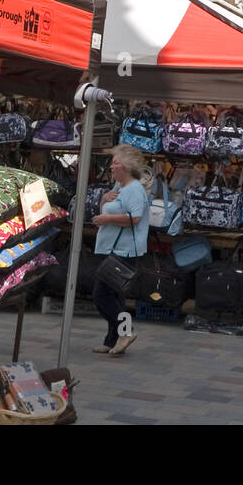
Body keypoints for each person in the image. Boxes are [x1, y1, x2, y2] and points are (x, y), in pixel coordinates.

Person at [90, 144, 150, 356]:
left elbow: (135, 218)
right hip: (112, 249)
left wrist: (107, 217)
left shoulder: (134, 189)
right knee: (115, 296)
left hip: (123, 251)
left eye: (115, 163)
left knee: (101, 295)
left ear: (126, 166)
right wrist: (104, 201)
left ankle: (126, 332)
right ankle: (112, 339)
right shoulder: (119, 189)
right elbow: (105, 215)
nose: (112, 167)